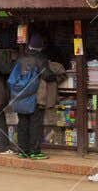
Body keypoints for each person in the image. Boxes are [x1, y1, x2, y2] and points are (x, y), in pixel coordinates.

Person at [8, 33, 62, 161]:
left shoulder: (21, 59)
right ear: (41, 47)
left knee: (22, 124)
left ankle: (22, 151)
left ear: (29, 46)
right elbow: (47, 76)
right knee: (35, 125)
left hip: (20, 97)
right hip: (35, 98)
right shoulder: (41, 59)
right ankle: (34, 152)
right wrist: (56, 76)